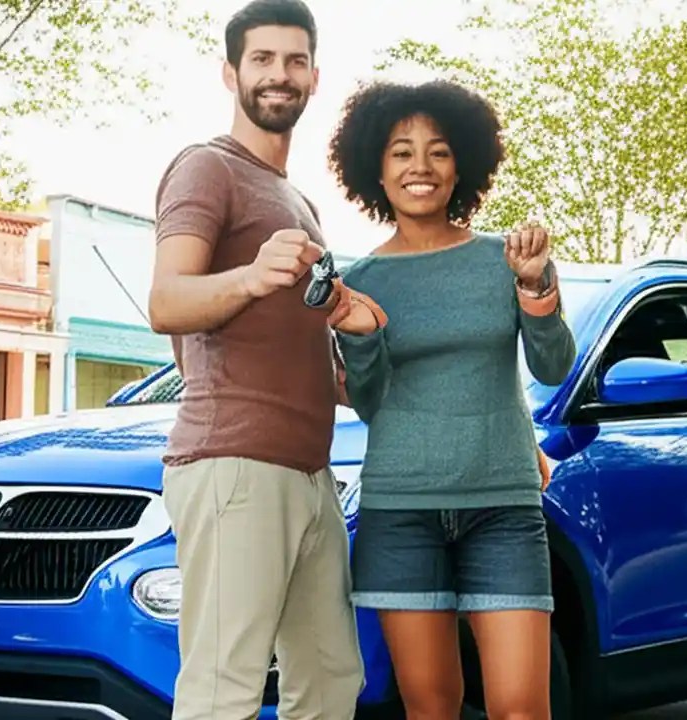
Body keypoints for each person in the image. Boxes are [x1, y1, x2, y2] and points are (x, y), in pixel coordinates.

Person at [148, 1, 379, 717]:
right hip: (236, 469)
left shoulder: (299, 201)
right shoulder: (205, 169)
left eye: (294, 61)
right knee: (223, 692)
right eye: (262, 60)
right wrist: (251, 274)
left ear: (314, 77)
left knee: (331, 680)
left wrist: (362, 339)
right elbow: (167, 302)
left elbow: (293, 352)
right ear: (231, 73)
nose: (279, 75)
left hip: (309, 477)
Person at [326, 79, 578, 719]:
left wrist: (536, 288)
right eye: (401, 151)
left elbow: (553, 364)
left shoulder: (505, 260)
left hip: (503, 507)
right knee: (431, 709)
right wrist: (357, 334)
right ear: (374, 170)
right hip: (401, 514)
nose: (420, 167)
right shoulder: (360, 281)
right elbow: (368, 401)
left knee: (523, 708)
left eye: (438, 151)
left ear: (461, 163)